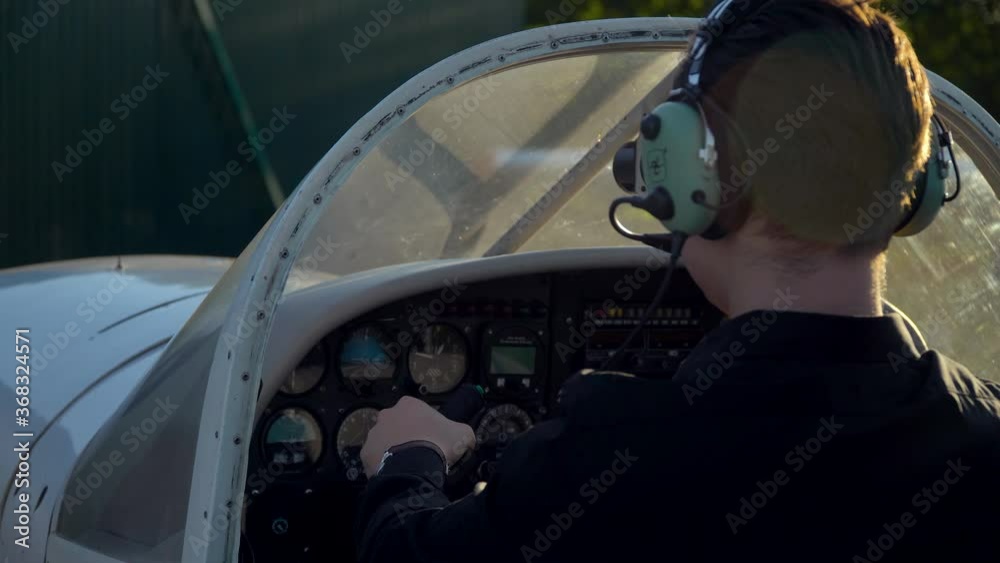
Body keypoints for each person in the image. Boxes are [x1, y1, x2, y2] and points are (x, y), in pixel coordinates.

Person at [355, 1, 1000, 561]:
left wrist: (406, 459)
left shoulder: (606, 460)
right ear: (914, 192)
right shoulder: (983, 439)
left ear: (697, 174)